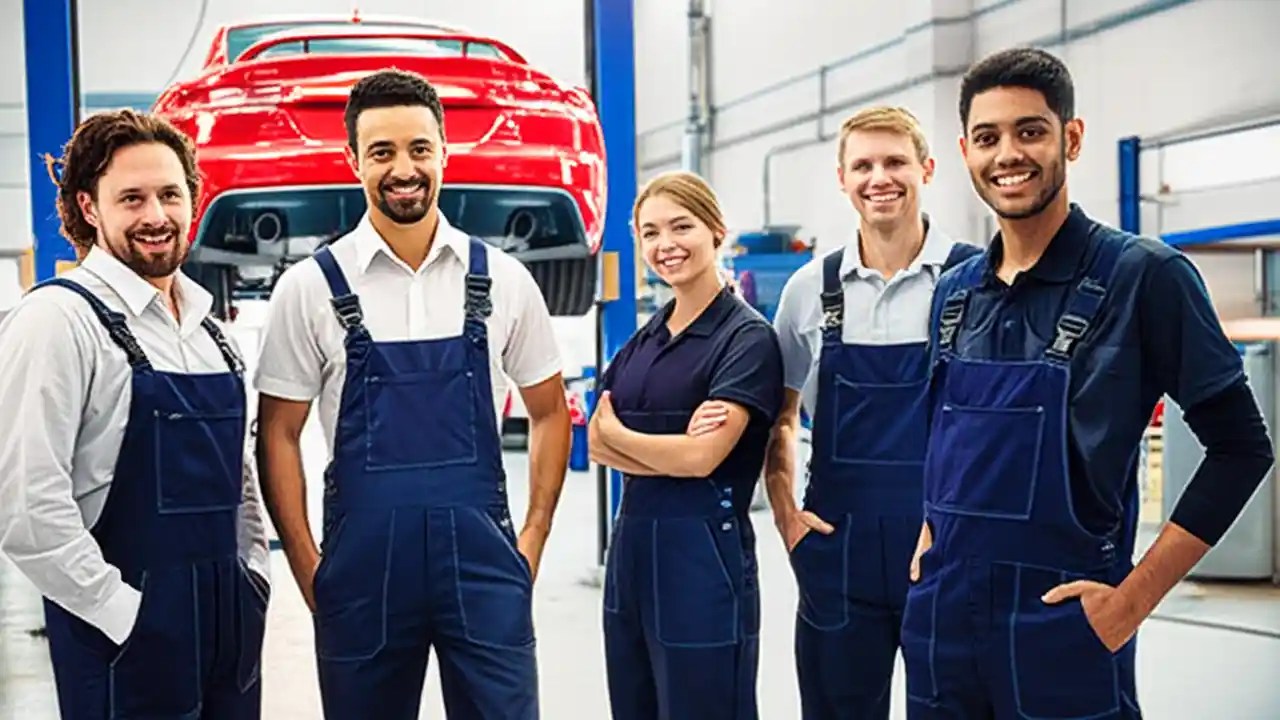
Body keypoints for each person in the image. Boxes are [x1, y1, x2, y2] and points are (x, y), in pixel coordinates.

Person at [902, 47, 1274, 719]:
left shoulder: (1145, 278)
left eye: (1030, 131)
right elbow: (940, 436)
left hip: (1064, 627)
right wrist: (930, 534)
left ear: (1070, 138)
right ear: (965, 151)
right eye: (988, 138)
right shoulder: (954, 294)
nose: (1008, 153)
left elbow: (1242, 448)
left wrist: (1129, 603)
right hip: (941, 627)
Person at [253, 69, 571, 720]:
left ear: (444, 152)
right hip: (362, 577)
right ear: (352, 160)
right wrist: (311, 568)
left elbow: (549, 411)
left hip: (484, 570)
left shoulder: (504, 282)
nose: (405, 168)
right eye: (382, 151)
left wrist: (532, 540)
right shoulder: (309, 290)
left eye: (420, 149)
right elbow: (277, 434)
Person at [0, 109, 271, 719]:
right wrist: (127, 616)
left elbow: (240, 483)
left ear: (193, 200)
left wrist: (254, 577)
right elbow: (25, 508)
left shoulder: (207, 330)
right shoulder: (59, 322)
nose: (156, 215)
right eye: (132, 198)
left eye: (170, 194)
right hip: (126, 643)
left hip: (231, 635)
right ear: (89, 207)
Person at [764, 106, 981, 719]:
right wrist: (785, 513)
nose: (878, 177)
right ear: (842, 178)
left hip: (945, 547)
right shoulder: (810, 290)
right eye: (862, 165)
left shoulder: (975, 278)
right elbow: (780, 415)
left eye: (894, 162)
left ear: (927, 168)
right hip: (838, 551)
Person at [589, 170, 785, 720]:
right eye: (650, 233)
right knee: (635, 703)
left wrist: (626, 437)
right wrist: (664, 447)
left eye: (681, 226)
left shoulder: (745, 339)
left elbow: (703, 458)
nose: (665, 245)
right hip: (632, 552)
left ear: (716, 231)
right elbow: (596, 446)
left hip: (704, 555)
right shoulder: (648, 338)